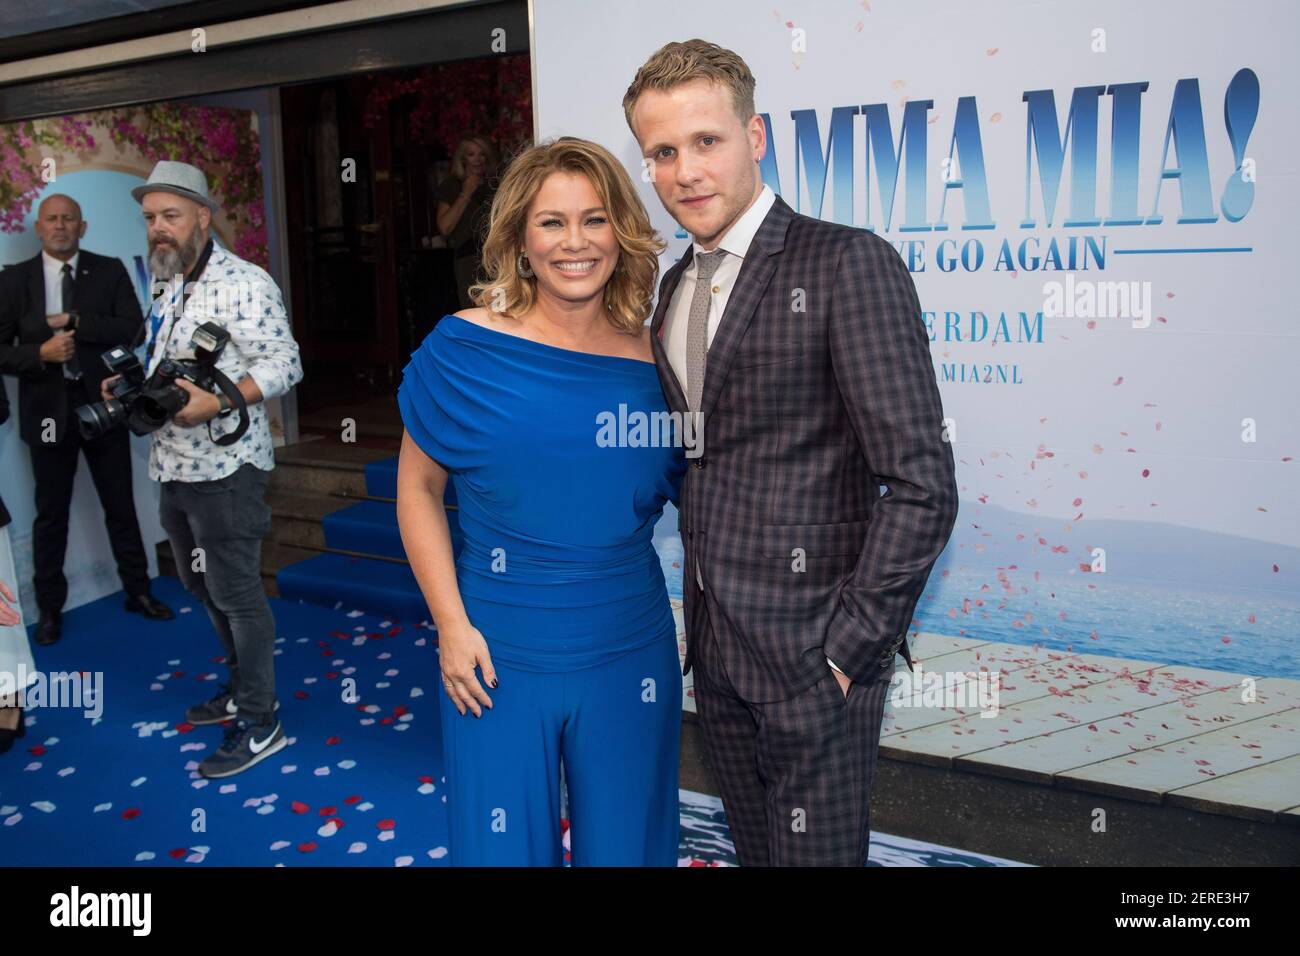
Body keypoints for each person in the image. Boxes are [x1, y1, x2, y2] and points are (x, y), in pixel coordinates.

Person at [624, 39, 959, 866]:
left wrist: (847, 654)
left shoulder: (847, 262)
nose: (685, 172)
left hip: (815, 662)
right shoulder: (674, 286)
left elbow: (922, 486)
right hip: (716, 653)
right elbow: (704, 459)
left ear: (756, 136)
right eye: (662, 153)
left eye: (706, 141)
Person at [397, 137, 685, 866]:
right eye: (552, 222)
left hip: (629, 645)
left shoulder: (660, 360)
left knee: (629, 849)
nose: (574, 242)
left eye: (594, 219)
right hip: (494, 650)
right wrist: (450, 625)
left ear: (621, 231)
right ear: (521, 240)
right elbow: (418, 491)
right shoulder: (462, 349)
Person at [105, 161, 303, 778]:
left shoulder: (245, 282)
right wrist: (131, 384)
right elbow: (168, 357)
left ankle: (262, 721)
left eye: (170, 216)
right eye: (150, 218)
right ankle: (242, 687)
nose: (157, 229)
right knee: (199, 584)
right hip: (173, 462)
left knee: (237, 593)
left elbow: (286, 364)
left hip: (227, 467)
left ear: (202, 217)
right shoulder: (167, 280)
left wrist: (219, 402)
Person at [0, 193, 174, 647]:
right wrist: (39, 352)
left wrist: (77, 321)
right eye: (52, 219)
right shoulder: (14, 280)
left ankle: (139, 591)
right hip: (47, 415)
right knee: (50, 515)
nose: (60, 226)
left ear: (83, 227)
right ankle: (49, 611)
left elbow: (132, 328)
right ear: (38, 228)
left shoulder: (108, 269)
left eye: (68, 219)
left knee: (120, 505)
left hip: (105, 408)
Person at [434, 135, 499, 308]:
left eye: (482, 154)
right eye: (471, 154)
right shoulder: (451, 185)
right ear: (462, 159)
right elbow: (445, 227)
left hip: (498, 258)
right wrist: (466, 192)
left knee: (500, 313)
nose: (478, 159)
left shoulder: (496, 185)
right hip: (468, 259)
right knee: (473, 313)